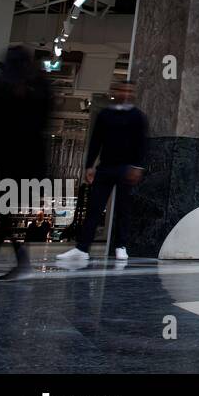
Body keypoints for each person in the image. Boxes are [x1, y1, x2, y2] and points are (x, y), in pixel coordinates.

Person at [0, 47, 51, 281]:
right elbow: (45, 121)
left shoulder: (2, 84)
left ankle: (2, 261)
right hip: (30, 158)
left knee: (1, 211)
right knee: (4, 213)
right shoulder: (40, 86)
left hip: (3, 155)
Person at [57, 81, 148, 266]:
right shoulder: (105, 115)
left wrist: (137, 166)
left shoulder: (138, 117)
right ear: (115, 92)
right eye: (121, 90)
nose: (124, 93)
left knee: (123, 208)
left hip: (126, 167)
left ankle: (120, 245)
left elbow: (142, 144)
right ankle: (82, 248)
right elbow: (96, 140)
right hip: (106, 166)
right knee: (94, 208)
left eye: (128, 90)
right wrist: (89, 165)